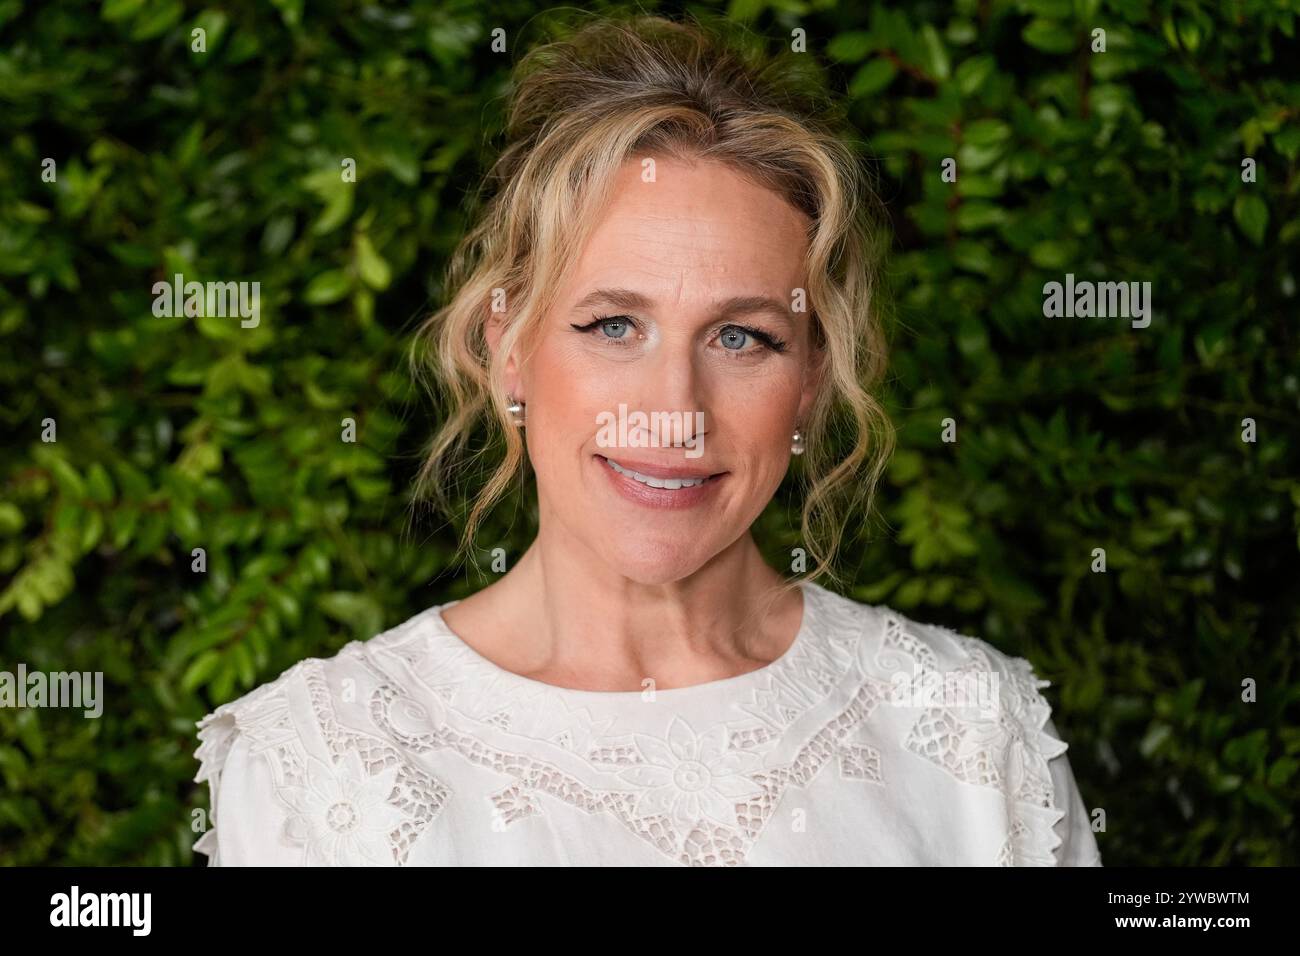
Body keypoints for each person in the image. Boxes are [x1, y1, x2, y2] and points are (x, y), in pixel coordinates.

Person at [193, 13, 1101, 867]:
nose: (675, 411)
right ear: (505, 347)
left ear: (813, 377)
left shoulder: (976, 731)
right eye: (613, 325)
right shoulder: (317, 760)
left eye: (742, 337)